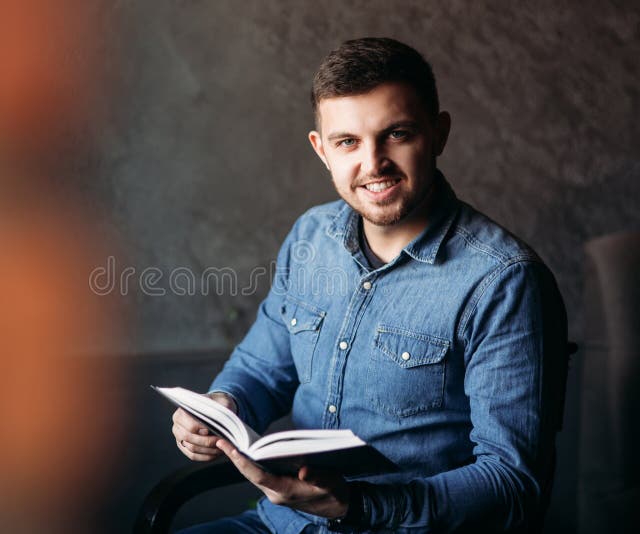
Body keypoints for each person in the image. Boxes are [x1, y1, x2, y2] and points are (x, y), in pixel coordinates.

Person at [171, 37, 568, 533]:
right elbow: (260, 368)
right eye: (348, 142)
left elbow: (515, 484)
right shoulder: (310, 237)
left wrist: (355, 507)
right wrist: (221, 408)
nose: (373, 163)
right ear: (322, 150)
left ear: (438, 134)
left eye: (397, 134)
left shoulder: (504, 282)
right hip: (280, 525)